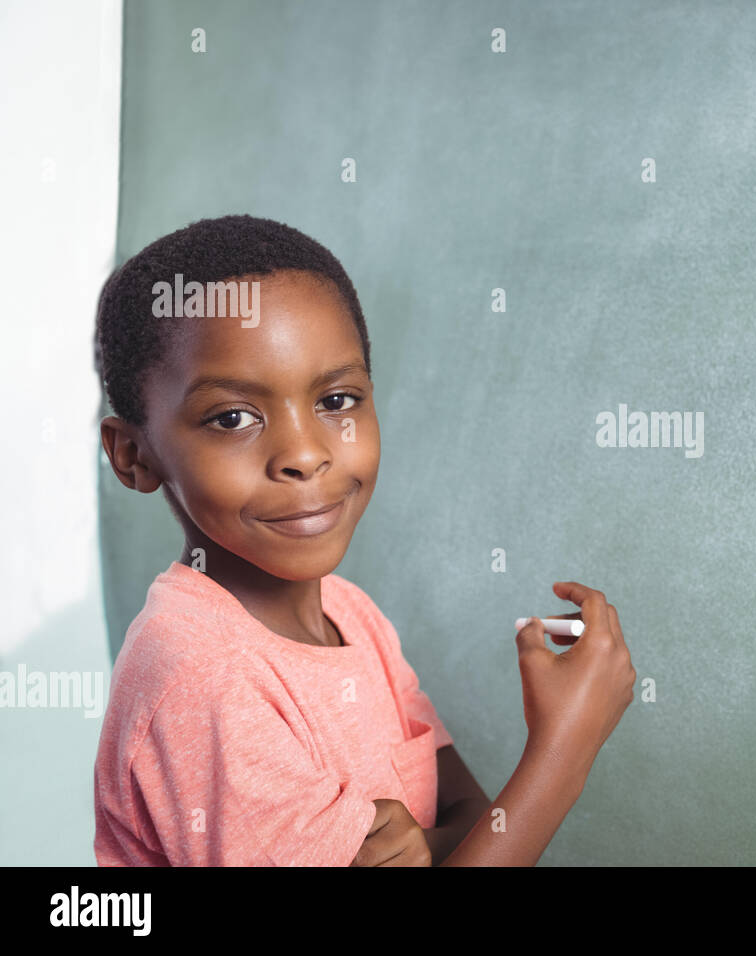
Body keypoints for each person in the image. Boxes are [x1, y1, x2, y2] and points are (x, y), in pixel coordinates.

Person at [92, 214, 635, 865]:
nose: (304, 454)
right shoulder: (202, 678)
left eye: (337, 400)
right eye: (232, 417)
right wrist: (565, 747)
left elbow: (470, 812)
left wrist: (429, 843)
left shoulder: (351, 614)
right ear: (134, 456)